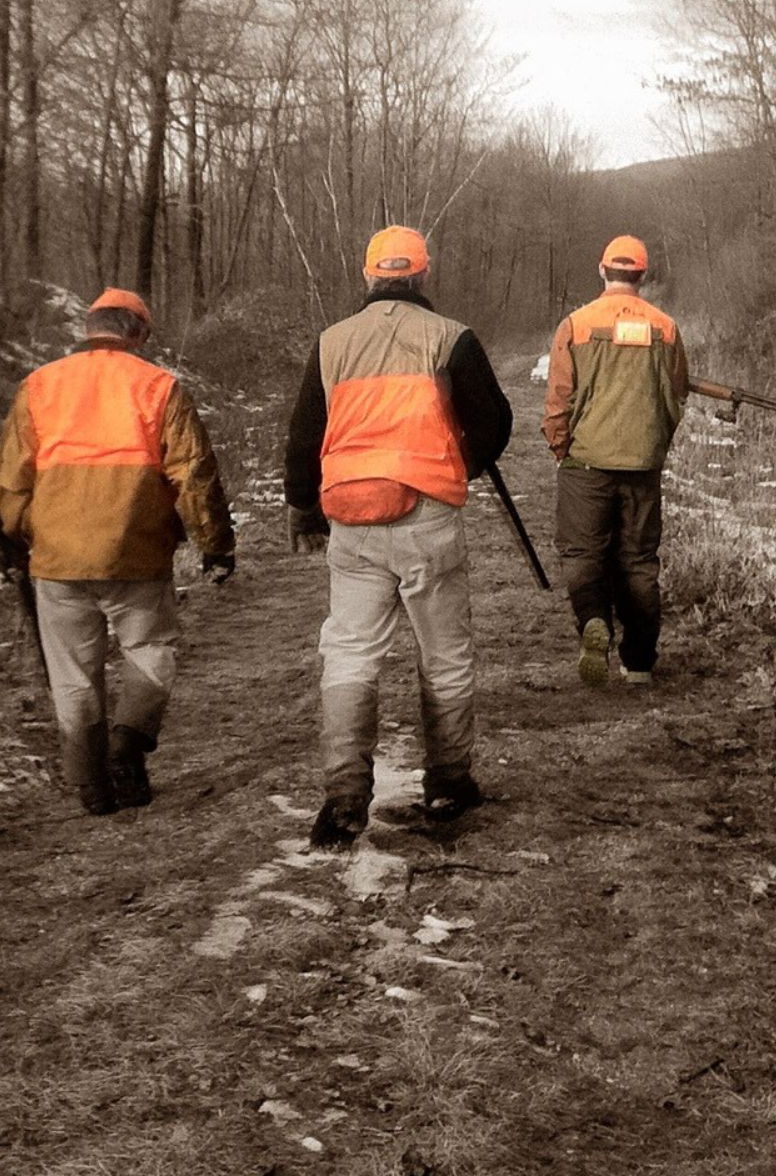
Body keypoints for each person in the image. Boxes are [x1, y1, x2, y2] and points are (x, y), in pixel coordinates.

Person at [284, 225, 512, 849]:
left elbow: (304, 435)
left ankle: (343, 796)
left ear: (368, 276)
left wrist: (303, 507)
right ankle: (446, 781)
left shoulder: (332, 342)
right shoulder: (449, 337)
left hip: (351, 518)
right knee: (444, 653)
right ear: (421, 275)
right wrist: (453, 467)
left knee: (351, 652)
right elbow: (495, 422)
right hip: (426, 517)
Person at [0, 287, 235, 815]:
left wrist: (19, 535)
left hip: (57, 558)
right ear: (138, 333)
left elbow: (11, 480)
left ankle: (90, 786)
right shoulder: (159, 387)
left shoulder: (39, 386)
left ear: (89, 328)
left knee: (74, 675)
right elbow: (193, 473)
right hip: (136, 553)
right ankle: (128, 742)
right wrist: (215, 545)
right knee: (151, 650)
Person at [541, 235, 690, 689]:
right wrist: (654, 447)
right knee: (639, 562)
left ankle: (592, 620)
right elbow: (676, 396)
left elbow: (558, 400)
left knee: (584, 554)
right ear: (642, 276)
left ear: (602, 270)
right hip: (642, 465)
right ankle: (640, 662)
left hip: (586, 463)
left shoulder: (576, 324)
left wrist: (561, 446)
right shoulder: (666, 328)